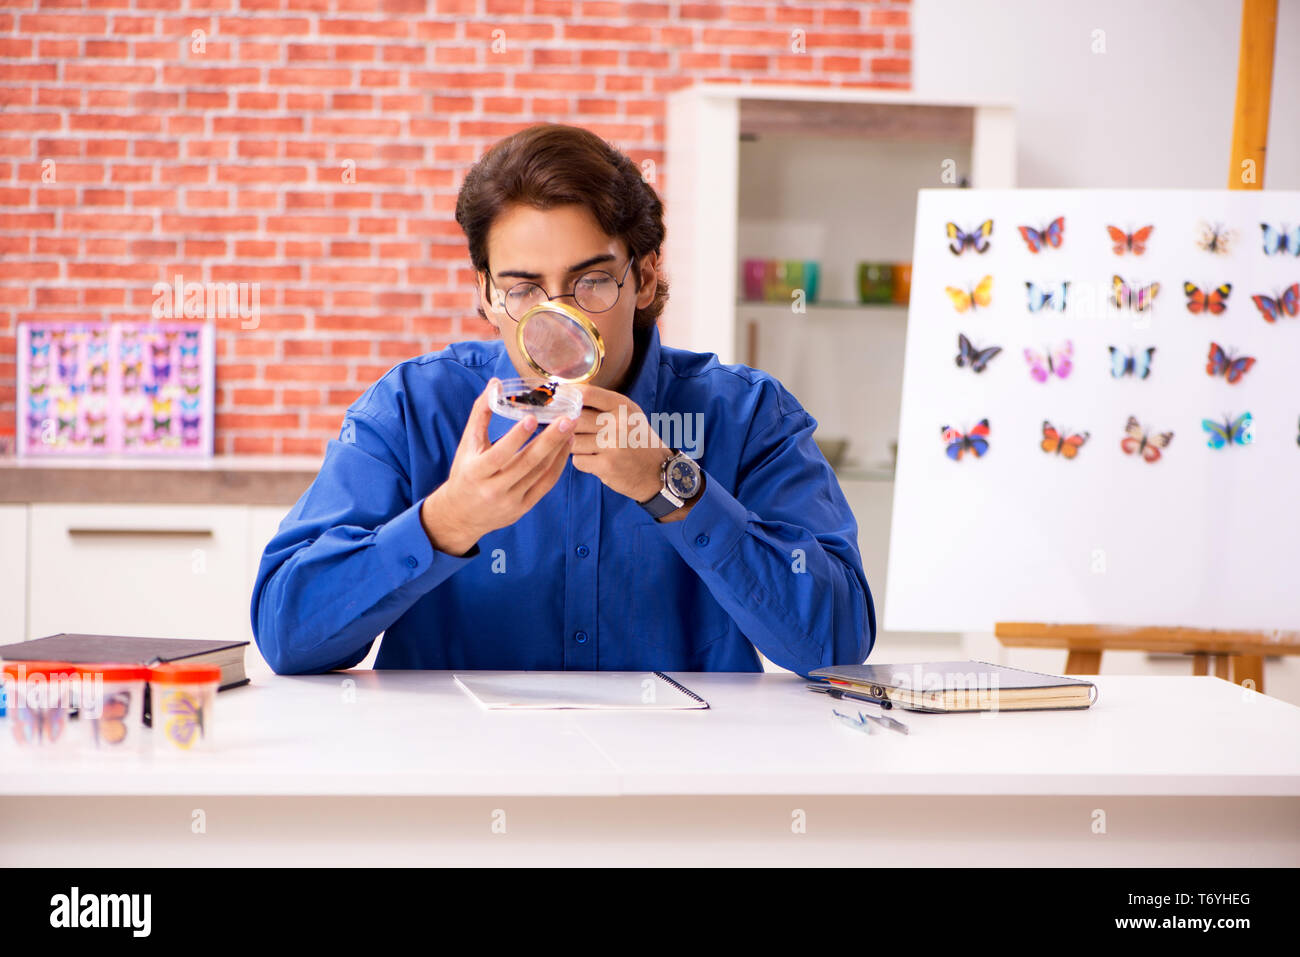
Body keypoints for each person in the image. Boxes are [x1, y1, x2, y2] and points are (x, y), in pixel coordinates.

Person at [250, 122, 875, 676]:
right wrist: (448, 522)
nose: (556, 321)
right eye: (524, 290)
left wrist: (671, 485)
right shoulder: (414, 408)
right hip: (457, 781)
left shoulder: (746, 414)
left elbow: (835, 644)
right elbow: (288, 635)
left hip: (677, 781)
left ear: (646, 275)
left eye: (591, 281)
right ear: (487, 295)